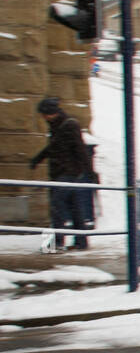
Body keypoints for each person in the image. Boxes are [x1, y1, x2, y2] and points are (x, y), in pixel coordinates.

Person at [29, 97, 91, 250]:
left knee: (57, 209)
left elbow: (80, 149)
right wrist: (38, 159)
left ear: (50, 113)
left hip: (67, 173)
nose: (43, 117)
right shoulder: (57, 125)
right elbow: (52, 148)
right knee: (74, 208)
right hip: (65, 173)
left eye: (44, 114)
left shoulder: (69, 125)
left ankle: (56, 243)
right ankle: (81, 242)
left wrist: (90, 171)